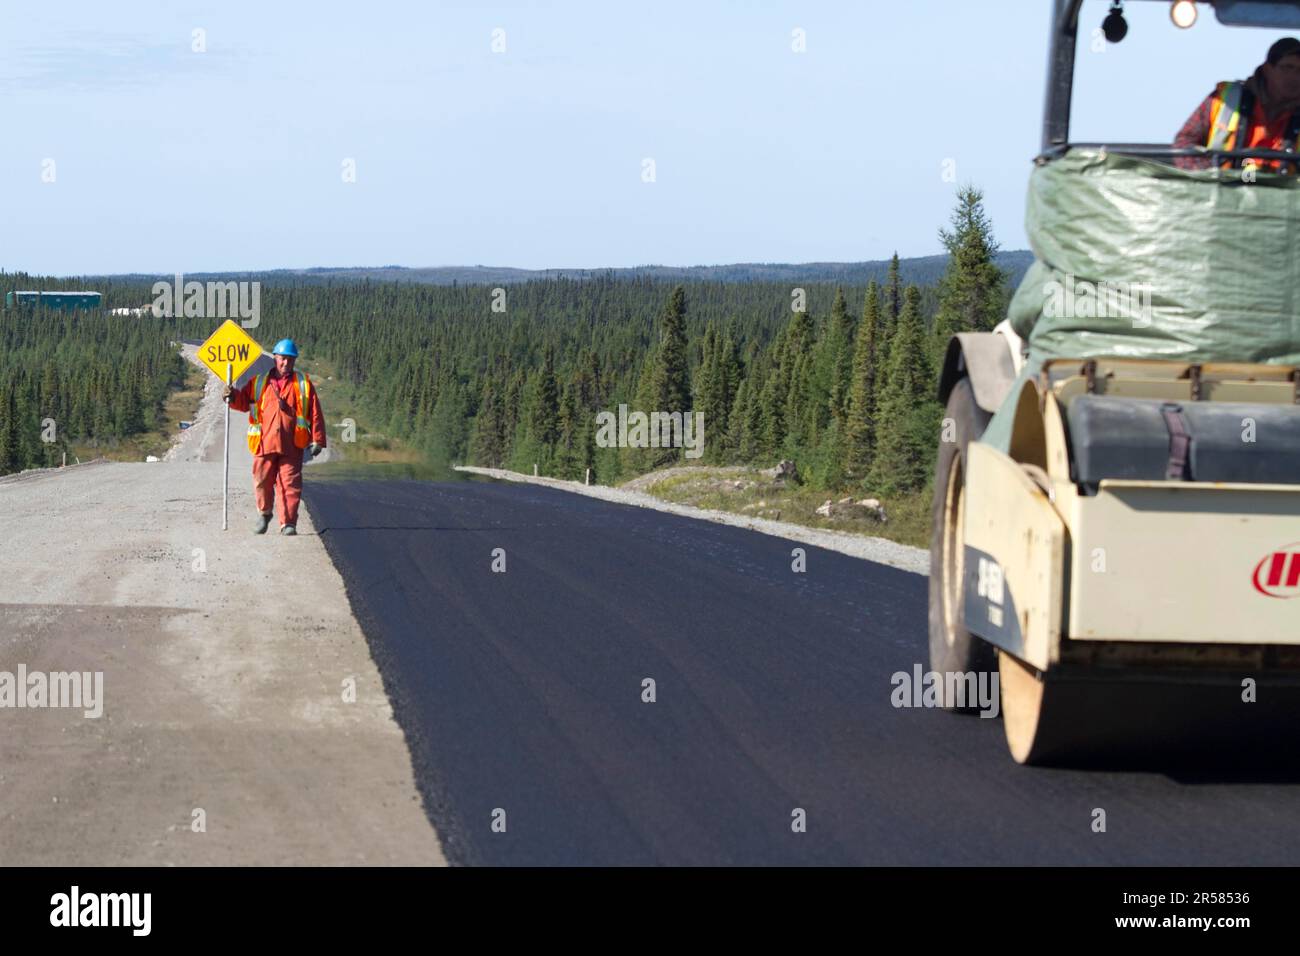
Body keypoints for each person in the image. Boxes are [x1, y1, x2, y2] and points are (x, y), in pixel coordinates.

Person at [223, 339, 327, 536]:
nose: (286, 363)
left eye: (290, 359)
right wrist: (232, 396)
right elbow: (244, 402)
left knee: (290, 484)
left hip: (292, 444)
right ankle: (264, 514)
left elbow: (315, 412)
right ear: (275, 358)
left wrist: (318, 439)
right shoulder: (259, 382)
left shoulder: (303, 384)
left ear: (294, 360)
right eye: (282, 359)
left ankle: (288, 523)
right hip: (264, 442)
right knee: (261, 480)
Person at [1174, 37, 1300, 172]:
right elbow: (1184, 142)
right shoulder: (1225, 100)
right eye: (1287, 68)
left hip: (1283, 190)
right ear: (1267, 69)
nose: (1294, 76)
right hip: (1223, 188)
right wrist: (1206, 176)